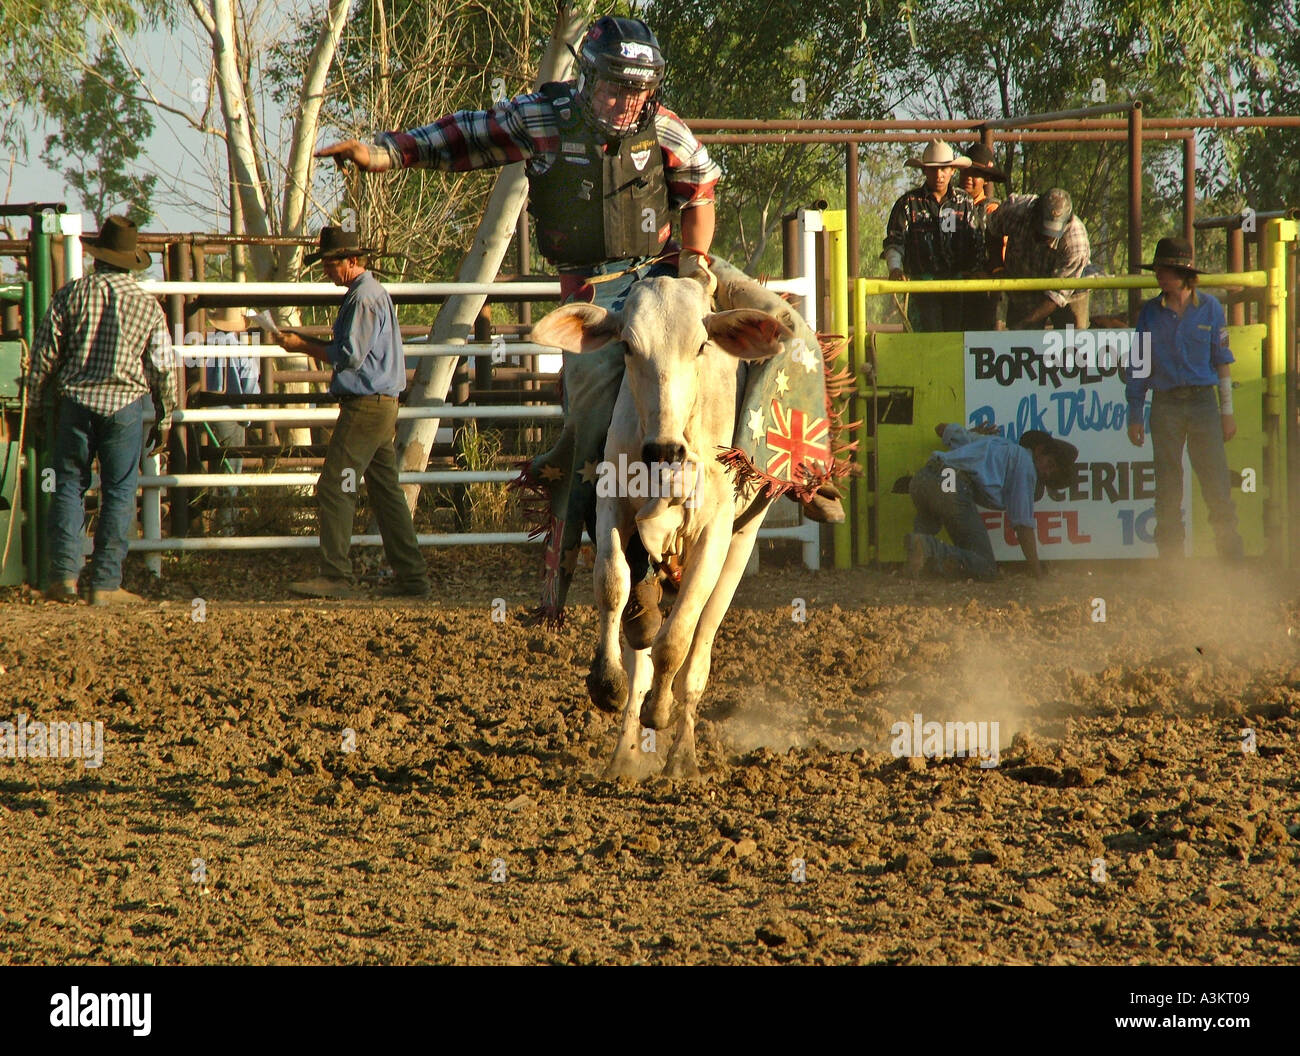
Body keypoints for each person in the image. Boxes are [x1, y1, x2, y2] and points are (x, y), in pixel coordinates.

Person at [313, 14, 844, 526]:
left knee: (787, 328)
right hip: (595, 289)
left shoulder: (665, 129)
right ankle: (580, 502)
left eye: (636, 90)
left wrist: (696, 264)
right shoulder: (541, 116)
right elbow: (468, 135)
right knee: (592, 398)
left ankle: (803, 472)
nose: (624, 101)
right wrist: (384, 152)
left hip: (668, 270)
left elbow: (701, 192)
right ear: (588, 77)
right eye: (613, 87)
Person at [271, 226, 431, 598]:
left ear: (352, 261)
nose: (326, 269)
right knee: (386, 491)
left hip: (365, 407)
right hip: (381, 405)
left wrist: (301, 345)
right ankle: (411, 576)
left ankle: (336, 574)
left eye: (331, 263)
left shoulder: (361, 299)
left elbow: (349, 356)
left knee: (335, 484)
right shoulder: (372, 294)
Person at [27, 215, 176, 605]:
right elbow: (162, 365)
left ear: (97, 259)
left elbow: (43, 354)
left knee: (68, 485)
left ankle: (64, 575)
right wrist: (166, 412)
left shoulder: (70, 295)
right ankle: (106, 583)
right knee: (119, 492)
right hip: (124, 405)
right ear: (130, 261)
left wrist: (38, 404)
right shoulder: (148, 306)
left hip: (74, 401)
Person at [1125, 237, 1243, 560]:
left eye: (1166, 270)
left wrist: (1226, 411)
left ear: (1184, 275)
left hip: (1202, 403)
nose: (1159, 275)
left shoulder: (1210, 308)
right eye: (1159, 269)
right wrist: (1135, 412)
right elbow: (1139, 365)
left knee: (1215, 479)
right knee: (1167, 483)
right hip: (1166, 403)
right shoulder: (1150, 313)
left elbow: (1221, 360)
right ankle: (1172, 561)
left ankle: (1229, 554)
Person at [905, 422, 1078, 580]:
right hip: (950, 485)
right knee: (984, 566)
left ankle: (919, 556)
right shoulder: (1025, 466)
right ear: (1039, 450)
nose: (1047, 473)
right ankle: (928, 549)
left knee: (927, 528)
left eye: (1051, 473)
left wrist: (971, 433)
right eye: (1050, 464)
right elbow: (1023, 525)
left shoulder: (993, 443)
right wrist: (1038, 573)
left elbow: (941, 429)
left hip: (923, 479)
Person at [881, 139, 980, 333]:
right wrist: (895, 269)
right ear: (925, 171)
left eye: (944, 169)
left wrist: (976, 270)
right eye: (934, 169)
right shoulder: (908, 203)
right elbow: (895, 241)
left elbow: (976, 241)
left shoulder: (964, 202)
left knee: (956, 342)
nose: (939, 174)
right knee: (926, 339)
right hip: (921, 287)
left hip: (958, 286)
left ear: (953, 170)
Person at [987, 187, 1091, 329]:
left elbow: (1057, 296)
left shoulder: (1076, 243)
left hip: (1069, 291)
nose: (1047, 236)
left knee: (1073, 339)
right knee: (1019, 341)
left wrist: (1025, 323)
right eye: (1043, 229)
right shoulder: (1015, 210)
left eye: (1053, 232)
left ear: (1067, 223)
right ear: (1033, 215)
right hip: (1023, 285)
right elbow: (992, 229)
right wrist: (997, 267)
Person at [204, 308, 262, 534]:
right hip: (232, 414)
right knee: (231, 474)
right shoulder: (239, 349)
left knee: (211, 469)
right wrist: (248, 416)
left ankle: (207, 522)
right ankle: (227, 529)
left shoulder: (205, 345)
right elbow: (249, 387)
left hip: (207, 412)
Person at [959, 142, 1008, 331]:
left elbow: (1000, 254)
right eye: (965, 171)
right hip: (955, 286)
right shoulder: (948, 206)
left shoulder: (992, 210)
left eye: (976, 175)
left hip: (984, 290)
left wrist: (990, 275)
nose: (969, 178)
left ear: (986, 179)